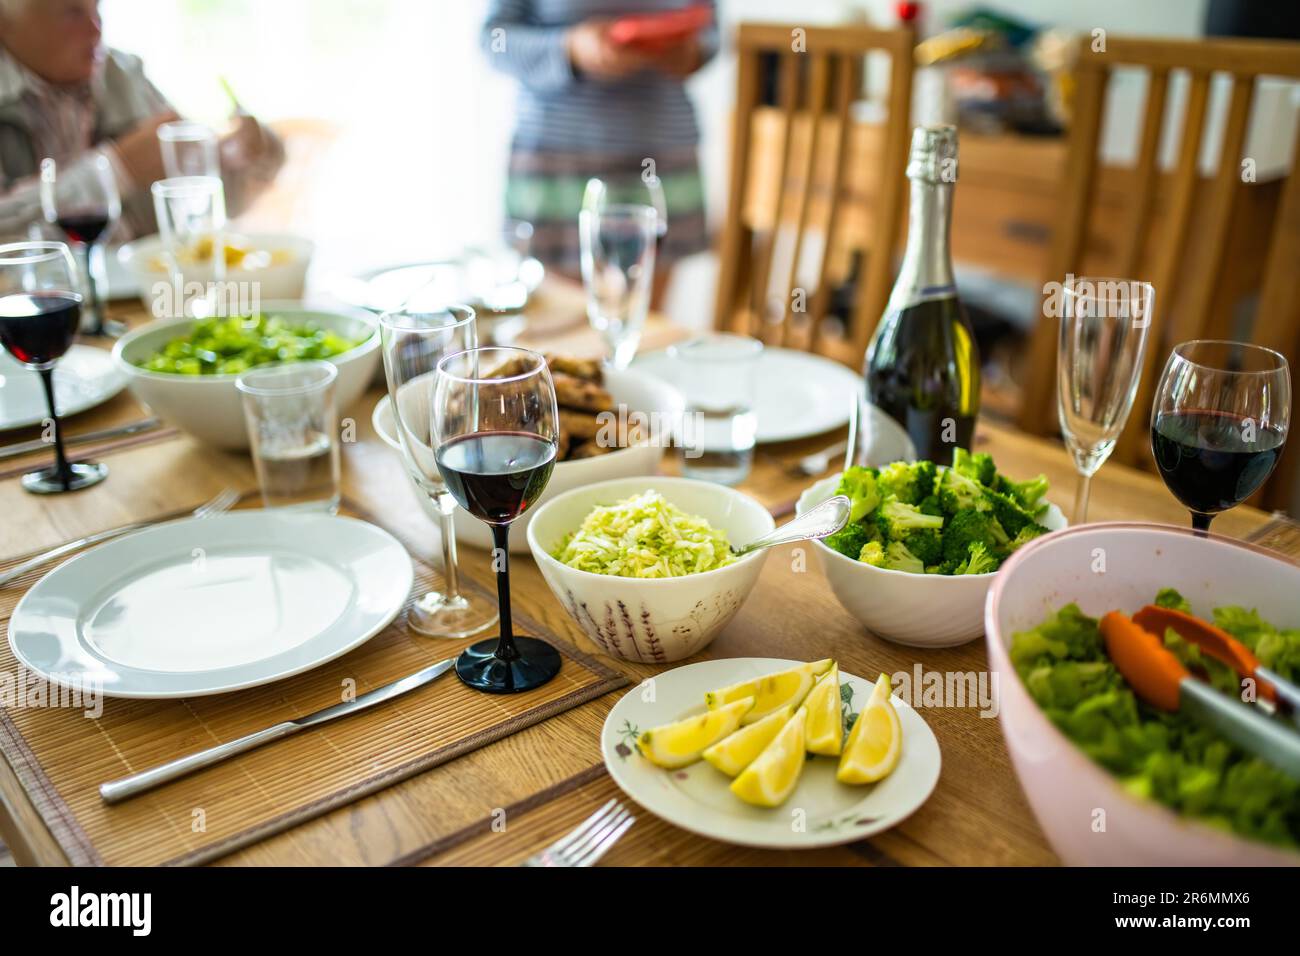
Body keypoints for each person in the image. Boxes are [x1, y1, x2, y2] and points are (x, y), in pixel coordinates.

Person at [482, 0, 716, 304]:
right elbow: (494, 39)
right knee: (567, 330)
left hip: (662, 155)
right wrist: (570, 47)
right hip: (559, 160)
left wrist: (691, 52)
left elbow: (710, 31)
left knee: (645, 329)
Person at [0, 0, 283, 238]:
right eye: (72, 13)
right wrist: (116, 169)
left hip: (135, 298)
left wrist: (244, 158)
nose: (96, 29)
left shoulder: (122, 74)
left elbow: (201, 209)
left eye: (97, 8)